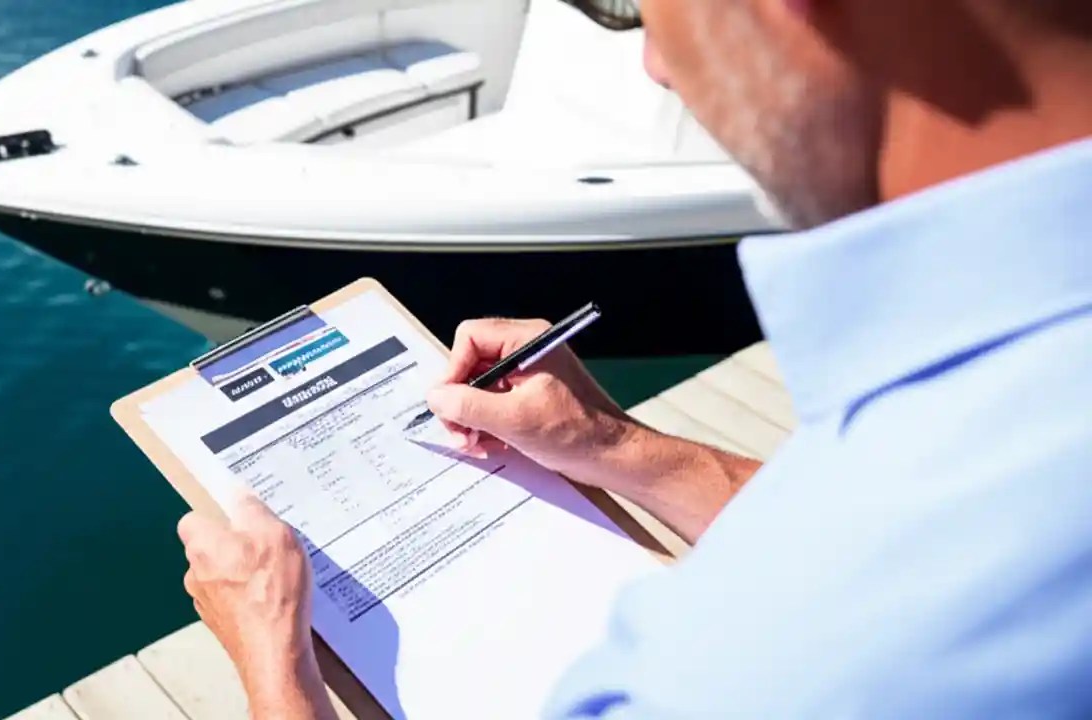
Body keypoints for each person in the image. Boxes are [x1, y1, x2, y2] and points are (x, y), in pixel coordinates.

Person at [176, 0, 1092, 716]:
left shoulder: (788, 663)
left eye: (646, 7)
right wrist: (614, 444)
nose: (657, 64)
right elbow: (858, 530)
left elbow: (872, 577)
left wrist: (278, 668)